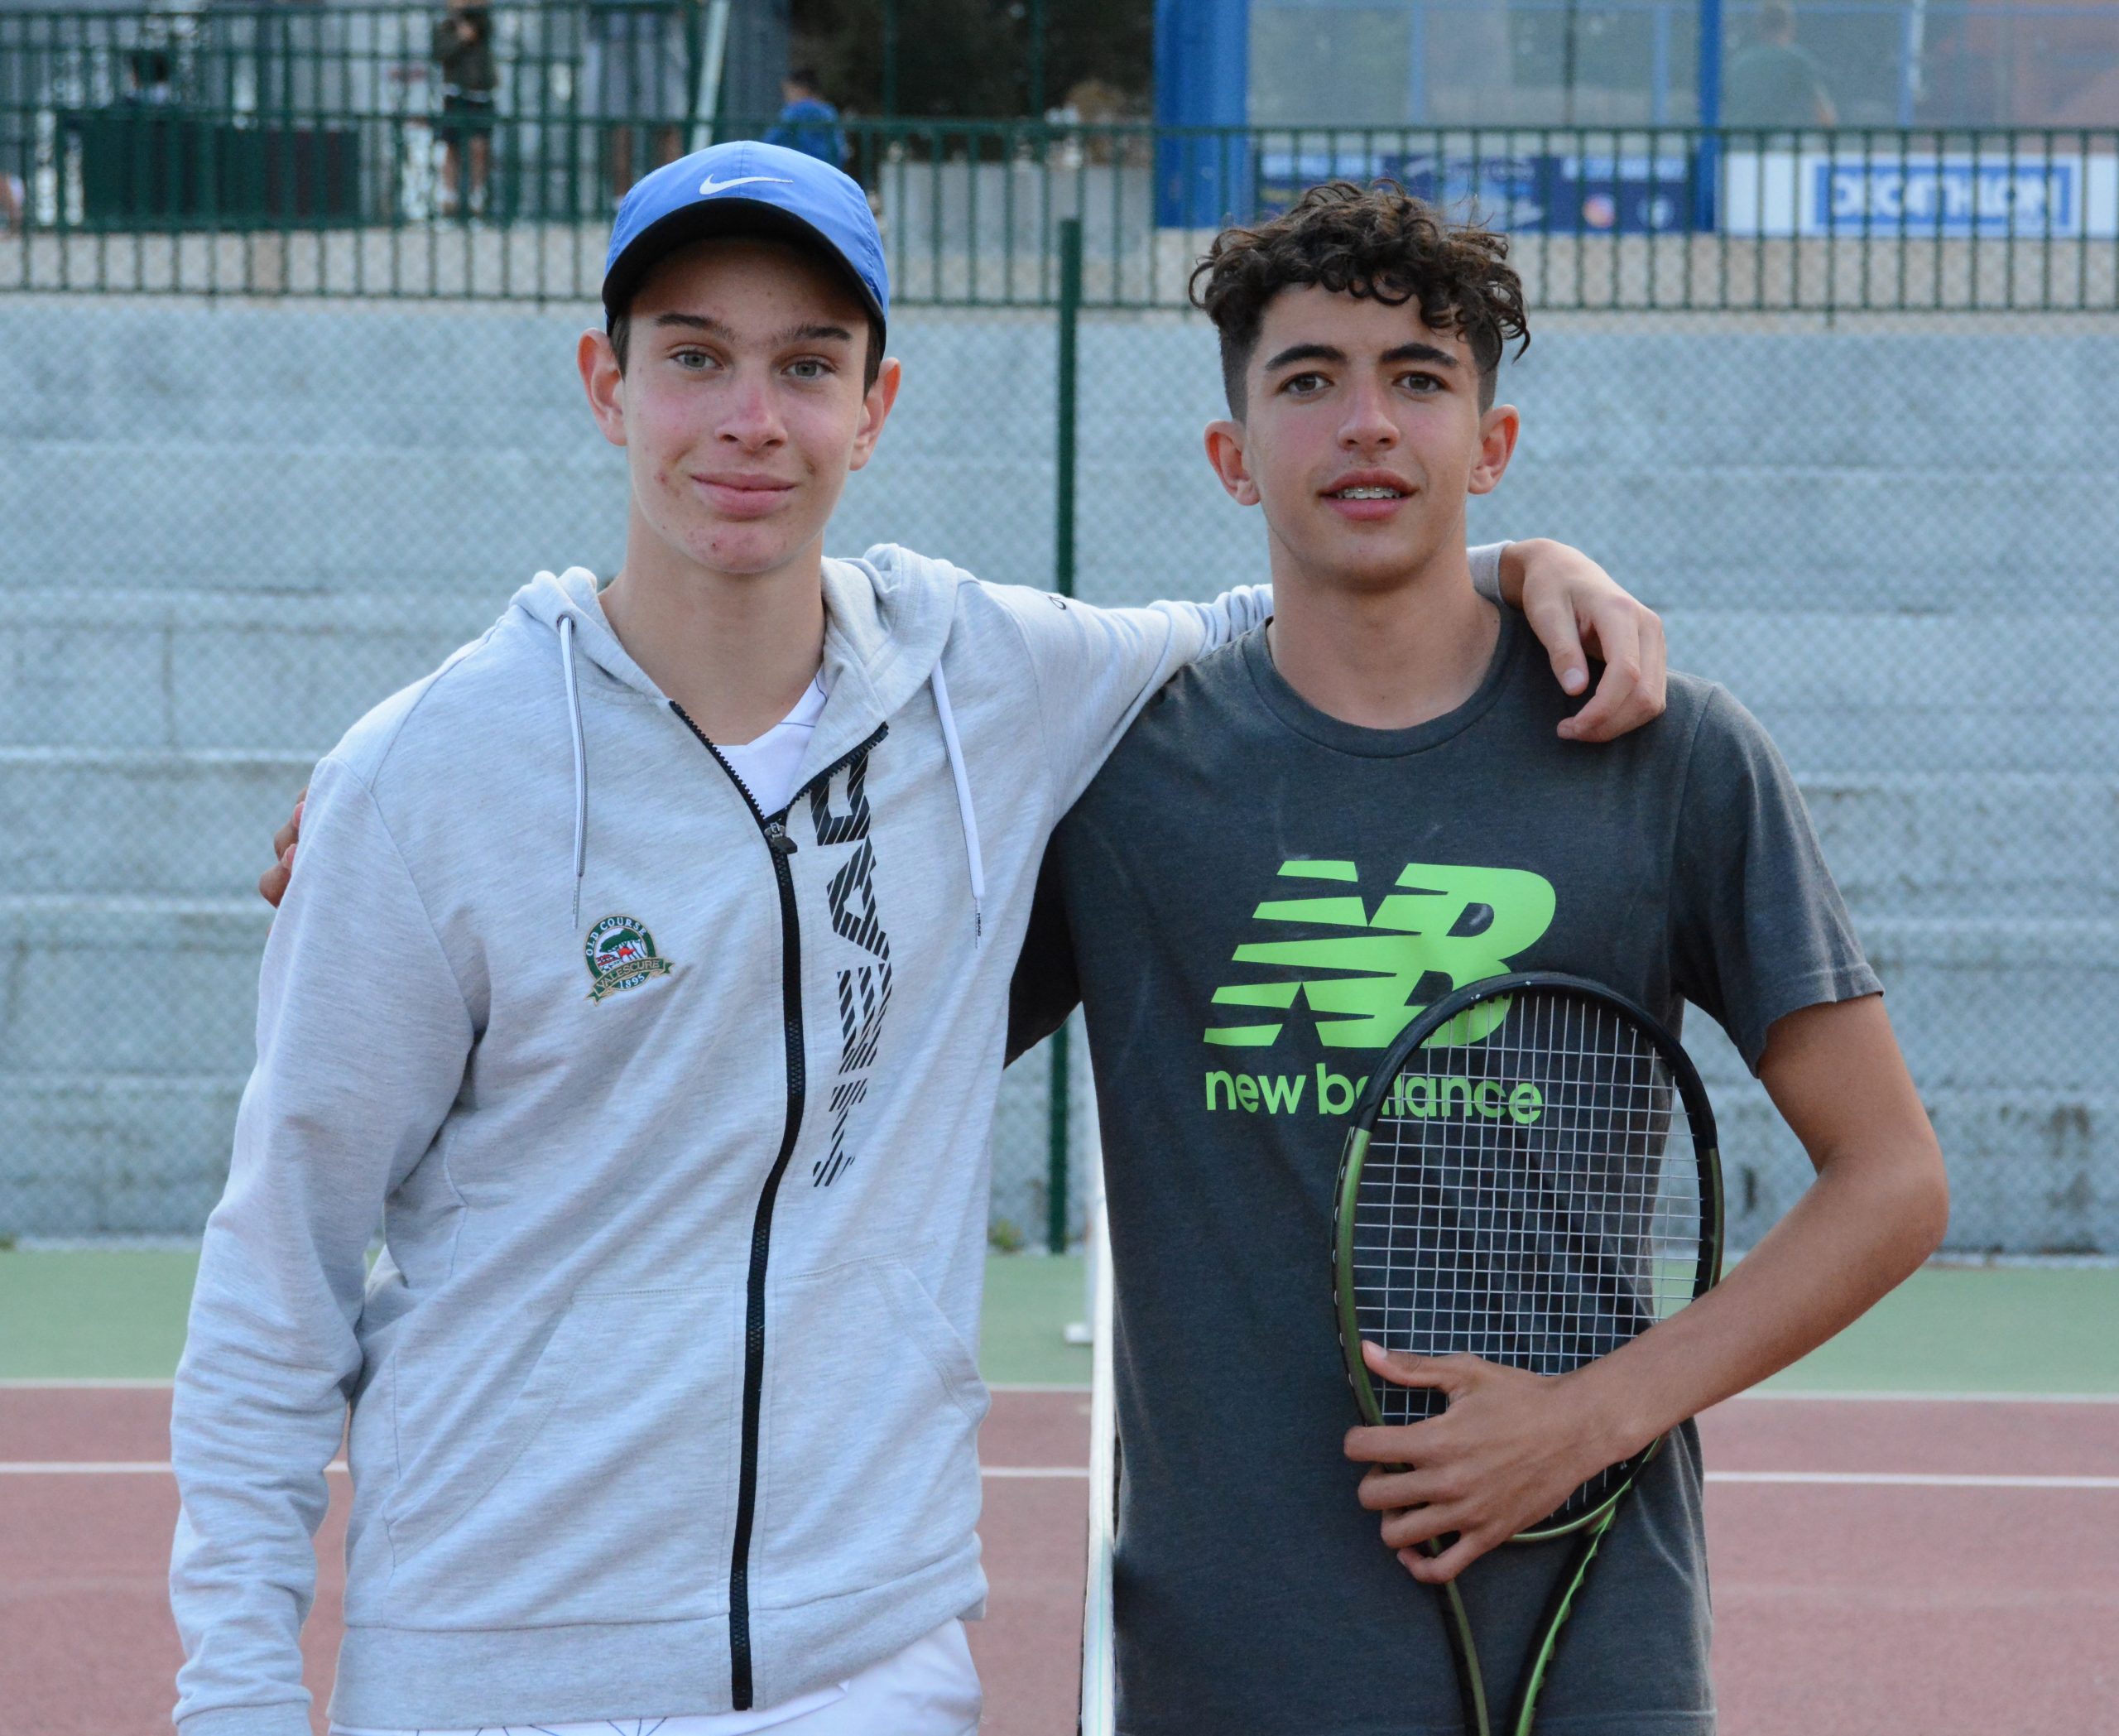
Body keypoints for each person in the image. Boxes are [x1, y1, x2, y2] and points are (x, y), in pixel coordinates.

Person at [208, 142, 1663, 1736]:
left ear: (874, 407)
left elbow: (1292, 612)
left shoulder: (984, 676)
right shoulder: (428, 775)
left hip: (871, 1666)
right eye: (694, 359)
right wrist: (237, 1702)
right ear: (607, 386)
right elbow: (278, 1279)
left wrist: (1524, 563)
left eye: (806, 366)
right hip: (493, 1671)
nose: (751, 419)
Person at [1007, 181, 1948, 1733]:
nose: (1367, 422)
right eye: (1309, 380)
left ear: (1491, 444)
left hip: (1593, 1652)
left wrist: (1590, 1417)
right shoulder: (1118, 777)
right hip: (1229, 1664)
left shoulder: (1670, 754)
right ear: (1233, 456)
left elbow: (1894, 1178)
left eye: (1419, 377)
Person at [586, 0, 693, 203]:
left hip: (659, 24)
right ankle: (620, 206)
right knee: (617, 124)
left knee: (666, 122)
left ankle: (671, 203)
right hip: (610, 25)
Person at [1723, 0, 1838, 130]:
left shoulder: (1738, 63)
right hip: (1778, 140)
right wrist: (1830, 140)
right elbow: (1823, 112)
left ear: (1759, 25)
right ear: (1790, 25)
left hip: (1736, 139)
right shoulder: (1797, 61)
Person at [431, 0, 498, 218]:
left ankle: (477, 197)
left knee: (479, 145)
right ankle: (448, 198)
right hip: (455, 93)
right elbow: (440, 53)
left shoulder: (483, 23)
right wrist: (460, 38)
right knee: (452, 145)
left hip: (479, 93)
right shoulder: (445, 27)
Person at [765, 68, 846, 170]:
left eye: (789, 90)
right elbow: (839, 148)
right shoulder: (829, 111)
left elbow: (771, 140)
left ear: (802, 89)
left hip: (798, 168)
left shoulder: (794, 111)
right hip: (828, 169)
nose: (786, 96)